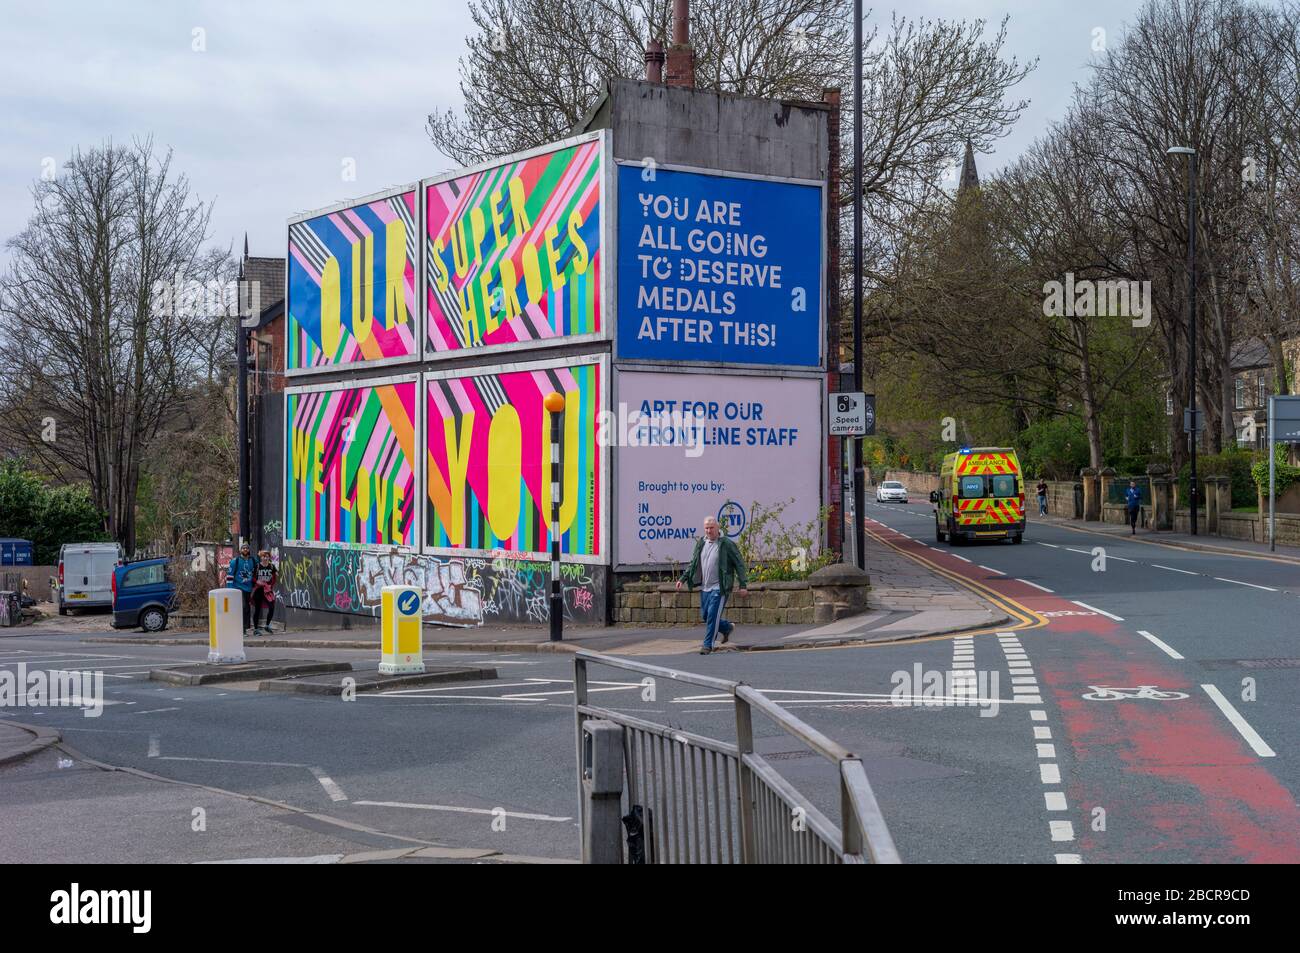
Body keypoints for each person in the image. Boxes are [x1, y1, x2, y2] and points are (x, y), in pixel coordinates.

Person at [676, 516, 749, 655]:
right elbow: (694, 563)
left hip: (720, 587)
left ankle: (707, 645)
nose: (709, 531)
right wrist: (683, 579)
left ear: (717, 528)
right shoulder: (701, 543)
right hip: (705, 587)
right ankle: (727, 628)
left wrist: (743, 584)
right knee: (705, 615)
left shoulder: (726, 544)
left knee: (712, 616)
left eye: (712, 528)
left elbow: (739, 563)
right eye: (706, 528)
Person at [226, 543, 256, 634]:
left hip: (249, 588)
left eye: (247, 548)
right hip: (238, 588)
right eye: (243, 548)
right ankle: (242, 629)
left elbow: (258, 570)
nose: (245, 549)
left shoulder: (253, 561)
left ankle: (246, 628)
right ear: (240, 550)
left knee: (247, 608)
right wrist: (230, 589)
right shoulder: (235, 561)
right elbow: (230, 576)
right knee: (242, 607)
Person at [251, 550, 278, 635]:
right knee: (257, 609)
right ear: (260, 557)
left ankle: (267, 625)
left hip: (267, 590)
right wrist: (257, 582)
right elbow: (253, 578)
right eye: (263, 556)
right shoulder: (257, 566)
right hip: (259, 590)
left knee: (272, 606)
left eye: (267, 556)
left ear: (269, 557)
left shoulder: (272, 567)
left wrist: (271, 585)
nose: (265, 558)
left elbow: (274, 577)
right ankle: (256, 629)